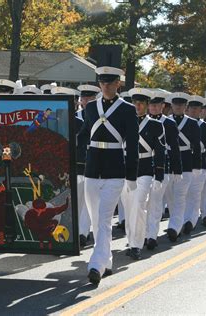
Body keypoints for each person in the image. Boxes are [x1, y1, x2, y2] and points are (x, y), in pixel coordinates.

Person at [77, 66, 139, 286]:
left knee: (104, 218)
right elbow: (84, 134)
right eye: (102, 82)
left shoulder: (127, 110)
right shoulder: (91, 107)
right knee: (96, 220)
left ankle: (96, 265)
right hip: (92, 168)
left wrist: (132, 176)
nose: (105, 86)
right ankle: (108, 260)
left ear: (118, 84)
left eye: (110, 82)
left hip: (115, 170)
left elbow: (132, 145)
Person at [121, 88, 165, 260]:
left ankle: (136, 245)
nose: (137, 106)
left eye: (140, 103)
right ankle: (131, 239)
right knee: (128, 206)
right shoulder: (124, 122)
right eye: (135, 103)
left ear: (146, 105)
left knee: (139, 205)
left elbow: (160, 151)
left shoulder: (155, 125)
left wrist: (159, 175)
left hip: (145, 169)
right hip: (125, 170)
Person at [145, 90, 182, 249]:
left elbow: (174, 148)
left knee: (156, 203)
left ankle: (152, 235)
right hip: (144, 168)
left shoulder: (169, 123)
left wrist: (177, 170)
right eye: (151, 105)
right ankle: (146, 234)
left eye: (156, 105)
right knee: (145, 204)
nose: (153, 107)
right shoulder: (142, 121)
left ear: (162, 106)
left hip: (163, 167)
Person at [165, 92, 201, 242]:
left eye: (181, 105)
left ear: (185, 106)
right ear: (172, 106)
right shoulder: (165, 122)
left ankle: (174, 226)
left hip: (186, 162)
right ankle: (177, 223)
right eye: (176, 104)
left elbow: (197, 147)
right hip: (169, 162)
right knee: (170, 197)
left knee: (180, 196)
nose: (178, 107)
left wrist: (197, 166)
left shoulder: (192, 123)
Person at [184, 96, 206, 231]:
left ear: (201, 110)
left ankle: (190, 220)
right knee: (182, 195)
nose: (194, 111)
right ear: (188, 109)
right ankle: (184, 220)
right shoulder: (181, 124)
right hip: (184, 164)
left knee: (195, 194)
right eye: (191, 108)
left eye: (196, 108)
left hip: (200, 164)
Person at [75, 84, 100, 247]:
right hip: (77, 162)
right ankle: (76, 231)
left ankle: (83, 232)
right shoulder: (75, 117)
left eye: (89, 98)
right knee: (77, 200)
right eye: (84, 98)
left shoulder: (100, 116)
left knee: (89, 200)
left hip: (93, 161)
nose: (86, 101)